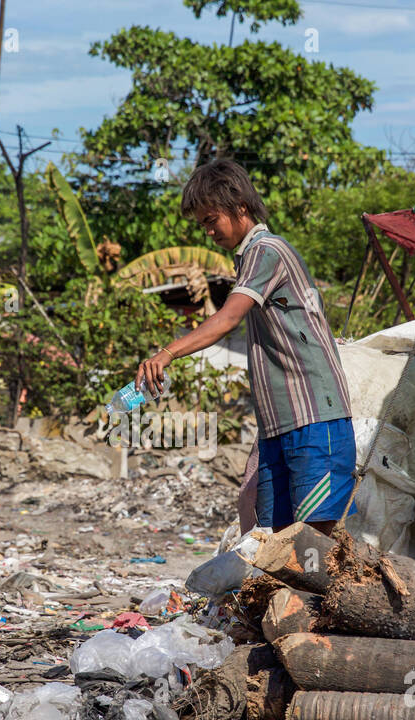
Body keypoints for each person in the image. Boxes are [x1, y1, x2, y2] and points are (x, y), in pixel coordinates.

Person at [135, 159, 355, 534]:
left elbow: (227, 318)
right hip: (279, 426)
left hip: (316, 418)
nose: (207, 231)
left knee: (314, 542)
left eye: (210, 219)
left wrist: (167, 353)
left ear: (239, 207)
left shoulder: (266, 251)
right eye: (201, 223)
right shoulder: (249, 259)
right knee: (271, 541)